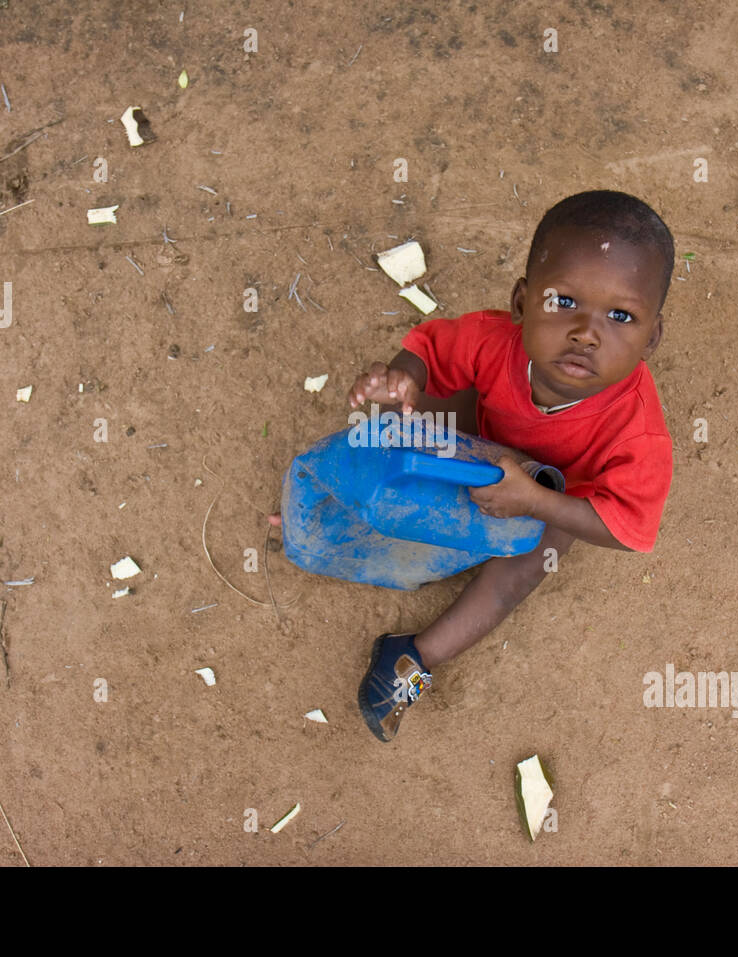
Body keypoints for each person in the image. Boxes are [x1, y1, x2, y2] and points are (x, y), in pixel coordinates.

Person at [277, 190, 676, 742]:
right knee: (401, 432)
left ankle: (414, 659)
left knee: (522, 570)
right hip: (473, 438)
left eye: (620, 315)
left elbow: (626, 527)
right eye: (563, 303)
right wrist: (401, 380)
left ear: (651, 337)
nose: (587, 332)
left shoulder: (637, 431)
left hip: (554, 496)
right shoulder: (496, 341)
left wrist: (534, 502)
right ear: (521, 303)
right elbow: (431, 351)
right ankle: (325, 507)